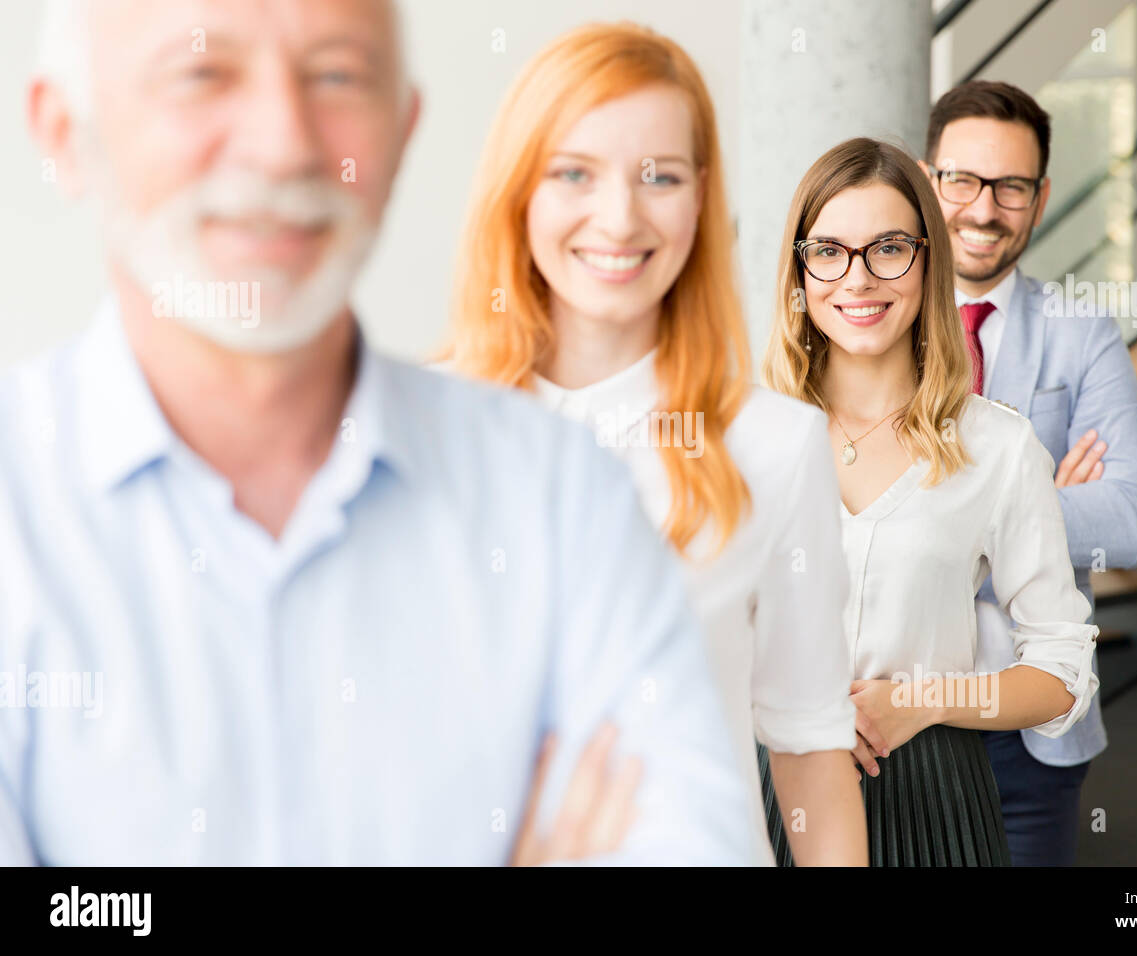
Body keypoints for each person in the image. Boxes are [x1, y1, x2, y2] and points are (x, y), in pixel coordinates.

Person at [0, 0, 756, 866]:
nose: (284, 143)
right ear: (63, 132)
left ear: (401, 132)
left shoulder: (565, 497)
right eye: (203, 74)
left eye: (336, 75)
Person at [438, 22, 866, 866]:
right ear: (521, 189)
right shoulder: (424, 431)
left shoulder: (777, 444)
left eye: (658, 176)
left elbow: (812, 745)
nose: (619, 216)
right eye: (574, 173)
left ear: (701, 195)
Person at [763, 137, 1100, 866]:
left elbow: (1063, 674)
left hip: (932, 800)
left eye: (888, 248)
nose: (858, 278)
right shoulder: (745, 439)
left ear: (927, 259)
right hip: (766, 791)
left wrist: (920, 701)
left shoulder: (998, 447)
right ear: (799, 267)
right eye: (828, 251)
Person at [922, 80, 1137, 866]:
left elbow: (1136, 521)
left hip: (1034, 739)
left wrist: (952, 526)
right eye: (962, 180)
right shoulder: (869, 319)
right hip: (895, 715)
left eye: (1011, 187)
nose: (984, 209)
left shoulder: (1081, 333)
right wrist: (1036, 505)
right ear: (929, 180)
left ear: (1041, 195)